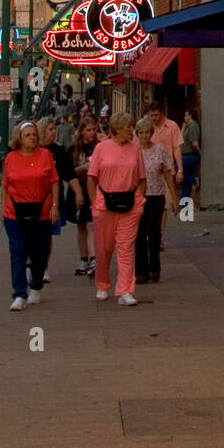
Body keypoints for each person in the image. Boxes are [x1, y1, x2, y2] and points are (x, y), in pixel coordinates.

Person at [87, 111, 146, 306]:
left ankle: (125, 290)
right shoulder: (101, 148)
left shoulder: (135, 149)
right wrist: (94, 203)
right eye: (128, 126)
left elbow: (141, 177)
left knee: (126, 248)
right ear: (118, 129)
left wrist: (139, 201)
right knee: (103, 249)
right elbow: (92, 177)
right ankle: (102, 284)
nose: (131, 130)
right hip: (104, 203)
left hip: (130, 203)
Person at [1, 120, 59, 312]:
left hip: (41, 211)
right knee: (18, 252)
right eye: (28, 135)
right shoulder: (11, 158)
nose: (32, 138)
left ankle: (35, 285)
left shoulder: (45, 156)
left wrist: (55, 206)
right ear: (20, 137)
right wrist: (3, 209)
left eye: (34, 134)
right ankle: (19, 293)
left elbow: (54, 182)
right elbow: (5, 185)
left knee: (39, 253)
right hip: (15, 211)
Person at [134, 117, 175, 283]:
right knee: (139, 235)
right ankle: (141, 272)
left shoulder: (159, 149)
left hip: (156, 197)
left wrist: (173, 195)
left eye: (147, 132)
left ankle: (155, 269)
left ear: (151, 133)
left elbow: (167, 172)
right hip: (137, 198)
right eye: (141, 133)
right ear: (137, 134)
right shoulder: (133, 150)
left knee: (154, 234)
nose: (144, 136)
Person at [38, 116, 75, 279]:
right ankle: (32, 264)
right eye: (50, 129)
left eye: (55, 129)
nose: (54, 133)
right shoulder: (33, 150)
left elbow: (69, 173)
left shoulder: (58, 151)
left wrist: (78, 193)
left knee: (46, 236)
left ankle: (43, 267)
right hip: (34, 198)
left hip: (53, 199)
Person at [68, 115, 103, 274]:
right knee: (81, 225)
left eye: (94, 129)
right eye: (88, 130)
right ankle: (83, 259)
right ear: (81, 131)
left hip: (96, 188)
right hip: (79, 188)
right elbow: (68, 172)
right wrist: (84, 167)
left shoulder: (101, 146)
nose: (92, 133)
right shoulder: (74, 149)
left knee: (92, 224)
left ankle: (94, 258)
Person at [147, 102, 182, 243]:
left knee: (164, 205)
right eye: (151, 115)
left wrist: (180, 169)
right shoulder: (146, 127)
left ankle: (159, 235)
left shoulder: (172, 126)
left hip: (166, 170)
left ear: (162, 113)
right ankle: (151, 231)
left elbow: (177, 148)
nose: (154, 118)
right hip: (148, 172)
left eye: (156, 115)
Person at [180, 109, 201, 203]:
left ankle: (185, 202)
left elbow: (195, 143)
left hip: (189, 156)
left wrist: (200, 154)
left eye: (186, 115)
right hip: (184, 156)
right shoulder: (188, 127)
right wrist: (183, 128)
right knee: (184, 180)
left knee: (186, 180)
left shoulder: (193, 127)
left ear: (190, 116)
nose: (184, 117)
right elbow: (179, 140)